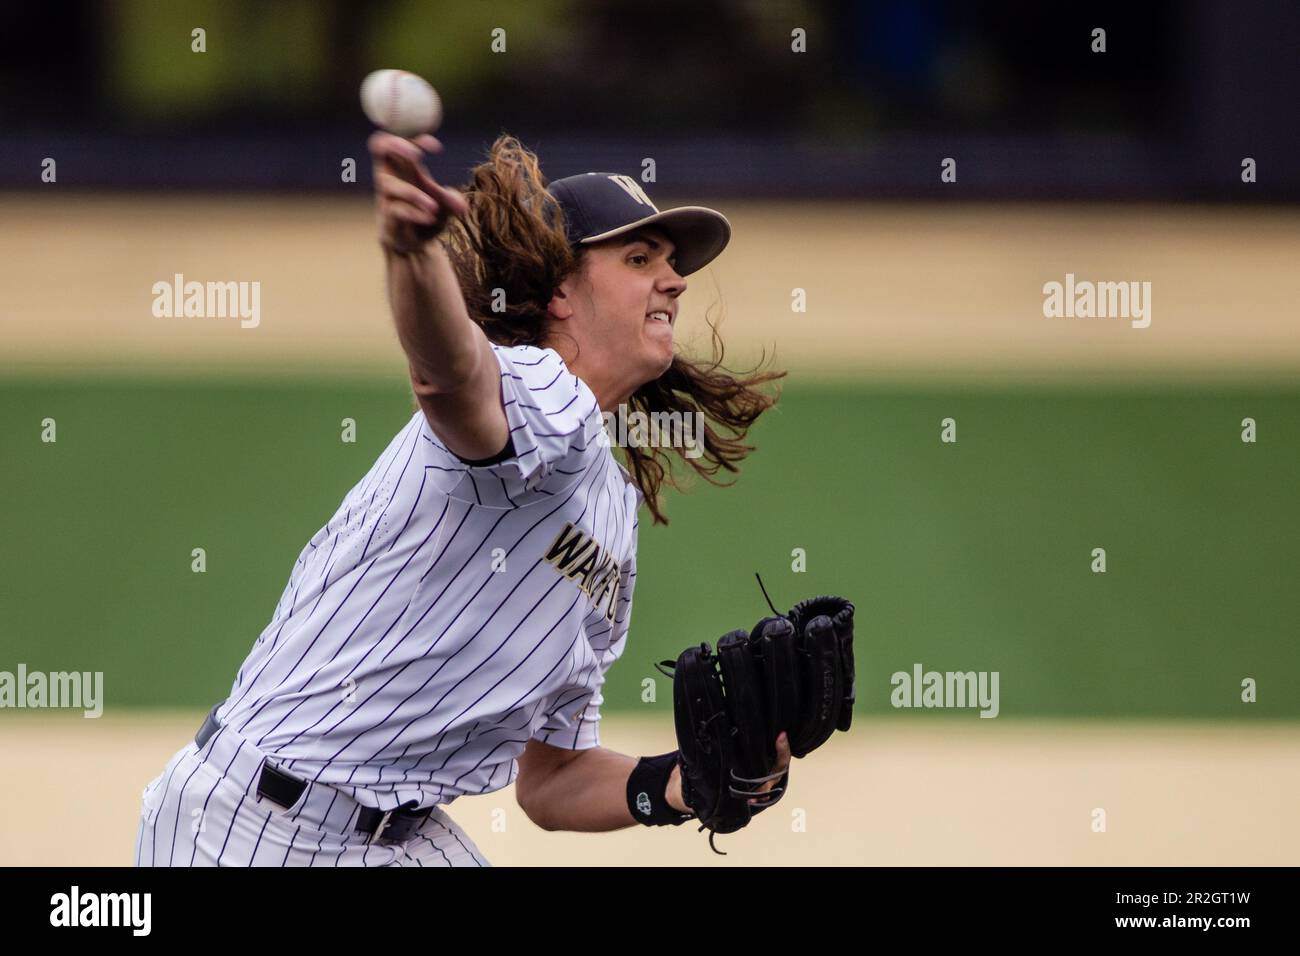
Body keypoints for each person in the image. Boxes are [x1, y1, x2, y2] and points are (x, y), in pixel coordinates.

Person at [133, 131, 786, 866]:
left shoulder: (611, 509)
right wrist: (414, 257)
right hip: (255, 827)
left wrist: (678, 784)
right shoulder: (533, 385)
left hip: (401, 838)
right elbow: (448, 375)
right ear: (561, 293)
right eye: (640, 260)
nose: (673, 281)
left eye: (670, 265)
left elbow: (553, 779)